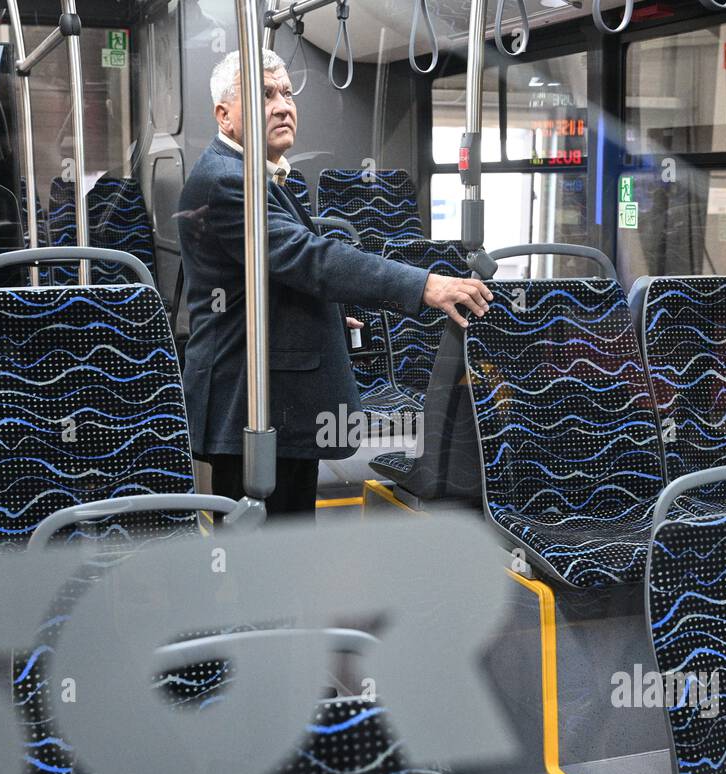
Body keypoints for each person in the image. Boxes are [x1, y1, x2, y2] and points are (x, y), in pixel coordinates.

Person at [176, 49, 492, 517]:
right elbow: (310, 259)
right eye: (265, 94)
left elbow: (267, 275)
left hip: (271, 395)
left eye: (286, 92)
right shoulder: (229, 182)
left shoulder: (253, 175)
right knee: (269, 553)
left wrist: (318, 314)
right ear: (225, 116)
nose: (284, 105)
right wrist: (424, 285)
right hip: (251, 399)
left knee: (284, 546)